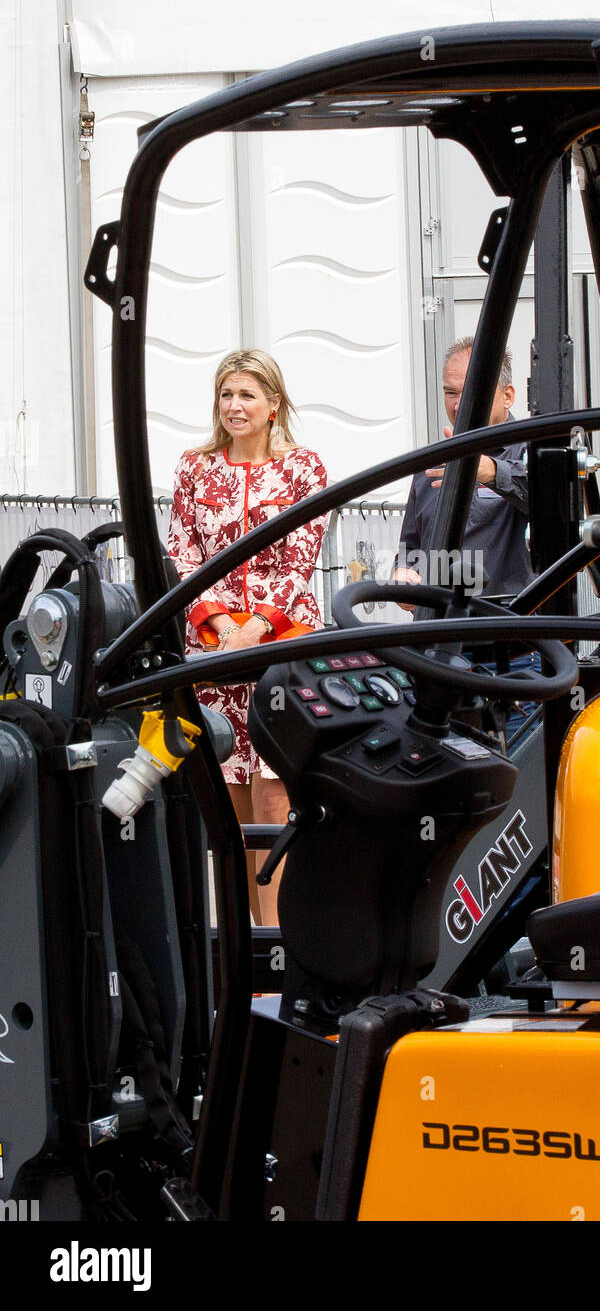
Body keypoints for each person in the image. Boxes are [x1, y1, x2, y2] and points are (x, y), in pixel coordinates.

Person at [168, 348, 327, 923]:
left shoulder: (304, 469)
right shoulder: (194, 467)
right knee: (226, 797)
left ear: (273, 404)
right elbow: (182, 555)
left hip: (282, 649)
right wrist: (218, 626)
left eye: (247, 395)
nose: (235, 407)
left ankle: (281, 941)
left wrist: (257, 627)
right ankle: (241, 949)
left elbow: (299, 561)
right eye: (226, 395)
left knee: (275, 793)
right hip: (213, 655)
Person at [393, 337, 533, 602]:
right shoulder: (432, 464)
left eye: (470, 392)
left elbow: (549, 501)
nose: (458, 405)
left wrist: (489, 471)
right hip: (440, 631)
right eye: (451, 393)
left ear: (508, 396)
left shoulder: (531, 452)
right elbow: (410, 549)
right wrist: (404, 577)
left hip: (510, 630)